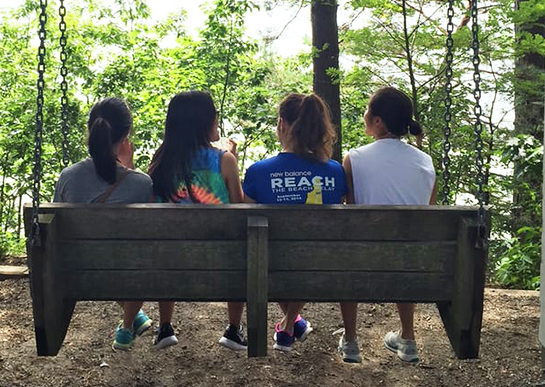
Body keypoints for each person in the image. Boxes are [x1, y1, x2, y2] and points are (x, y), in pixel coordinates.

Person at [54, 97, 170, 352]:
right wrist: (128, 167)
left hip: (81, 271)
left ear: (91, 129)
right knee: (134, 255)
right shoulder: (141, 183)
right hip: (126, 272)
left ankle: (134, 319)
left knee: (106, 255)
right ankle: (131, 321)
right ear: (125, 135)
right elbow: (148, 234)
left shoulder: (68, 177)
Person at [339, 86, 437, 364]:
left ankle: (350, 341)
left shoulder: (355, 158)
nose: (364, 114)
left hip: (363, 260)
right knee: (406, 244)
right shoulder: (426, 162)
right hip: (410, 263)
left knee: (347, 251)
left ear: (378, 121)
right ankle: (407, 338)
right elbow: (427, 212)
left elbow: (352, 205)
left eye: (367, 111)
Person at [243, 92, 347, 352]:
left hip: (270, 263)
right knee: (308, 252)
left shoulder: (258, 172)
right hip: (320, 264)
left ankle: (290, 323)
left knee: (268, 251)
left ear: (282, 125)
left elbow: (244, 223)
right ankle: (292, 323)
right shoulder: (335, 171)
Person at [148, 90, 247, 351]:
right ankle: (234, 329)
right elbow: (239, 208)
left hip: (174, 262)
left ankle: (165, 327)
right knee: (241, 247)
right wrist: (232, 156)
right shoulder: (224, 161)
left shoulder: (160, 163)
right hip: (221, 261)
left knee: (168, 244)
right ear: (207, 122)